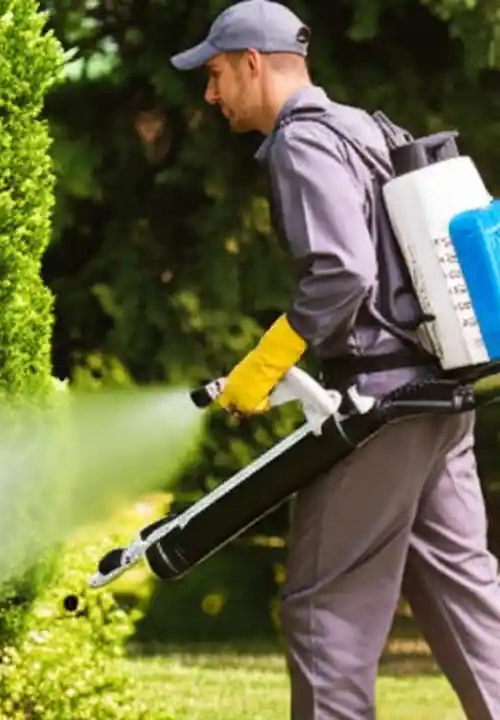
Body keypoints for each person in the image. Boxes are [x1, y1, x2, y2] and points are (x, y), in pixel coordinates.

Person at [171, 2, 500, 718]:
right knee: (466, 599)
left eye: (218, 74)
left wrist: (269, 357)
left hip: (380, 404)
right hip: (440, 394)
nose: (211, 93)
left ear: (253, 63)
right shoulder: (367, 128)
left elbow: (344, 273)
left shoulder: (304, 143)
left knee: (327, 612)